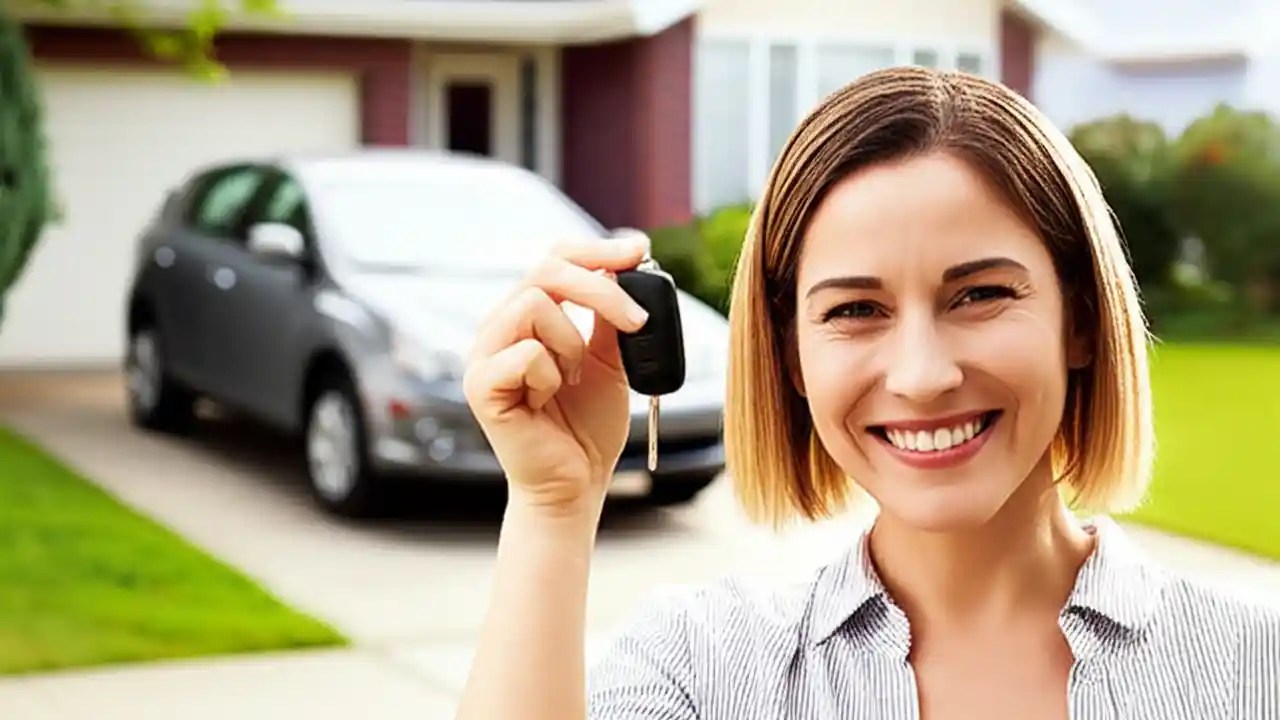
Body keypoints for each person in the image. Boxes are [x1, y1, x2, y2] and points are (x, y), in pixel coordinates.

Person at [454, 66, 1280, 720]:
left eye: (980, 294)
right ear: (789, 357)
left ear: (1081, 320)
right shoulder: (702, 669)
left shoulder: (1255, 671)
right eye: (856, 310)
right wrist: (553, 508)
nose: (921, 375)